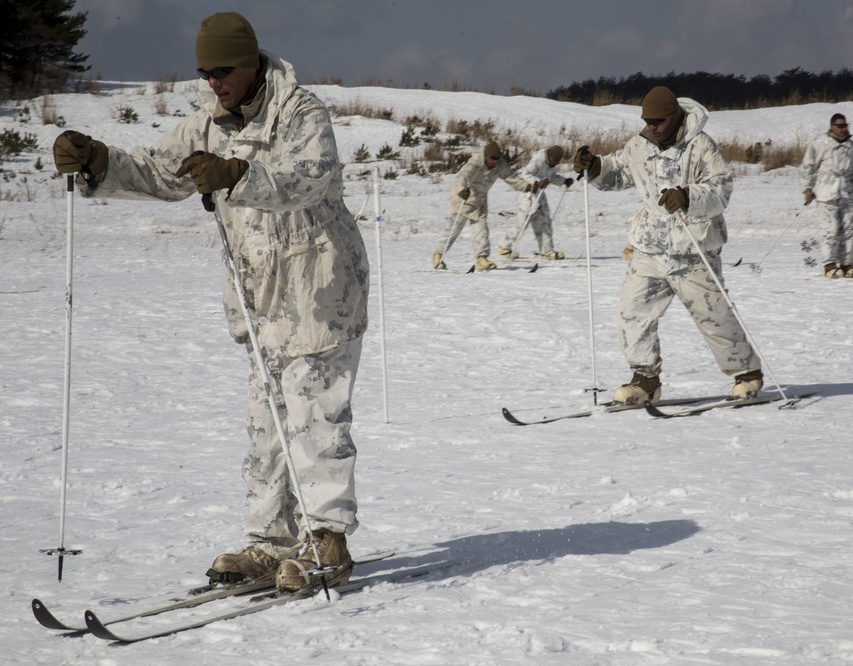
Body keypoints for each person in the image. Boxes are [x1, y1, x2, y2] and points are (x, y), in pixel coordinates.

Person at [52, 12, 368, 592]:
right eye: (205, 73)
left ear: (250, 63)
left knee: (315, 417)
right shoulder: (208, 125)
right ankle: (269, 541)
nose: (214, 82)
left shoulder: (301, 111)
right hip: (261, 300)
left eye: (223, 70)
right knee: (267, 424)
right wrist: (99, 160)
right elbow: (160, 171)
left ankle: (328, 539)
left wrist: (237, 173)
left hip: (321, 291)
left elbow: (310, 177)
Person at [572, 86, 763, 404]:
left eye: (658, 121)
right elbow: (618, 172)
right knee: (632, 312)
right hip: (649, 247)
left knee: (713, 316)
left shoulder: (700, 145)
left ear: (674, 117)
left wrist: (687, 196)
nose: (652, 127)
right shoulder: (639, 145)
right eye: (647, 121)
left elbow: (721, 189)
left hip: (692, 249)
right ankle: (645, 380)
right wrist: (594, 167)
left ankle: (747, 375)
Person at [431, 141, 536, 272]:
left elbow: (511, 176)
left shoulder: (499, 164)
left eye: (497, 158)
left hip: (480, 199)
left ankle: (481, 259)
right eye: (492, 158)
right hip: (464, 197)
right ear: (486, 156)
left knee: (482, 229)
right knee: (453, 229)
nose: (495, 161)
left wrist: (527, 187)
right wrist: (461, 190)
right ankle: (438, 256)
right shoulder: (475, 162)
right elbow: (462, 177)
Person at [800, 113, 853, 278]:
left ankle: (847, 264)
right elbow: (808, 166)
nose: (843, 129)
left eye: (845, 126)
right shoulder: (820, 144)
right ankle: (830, 264)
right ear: (832, 127)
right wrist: (807, 188)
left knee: (849, 229)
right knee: (831, 229)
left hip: (847, 193)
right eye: (839, 126)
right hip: (826, 192)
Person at [497, 145, 573, 260]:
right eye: (554, 161)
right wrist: (538, 182)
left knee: (545, 222)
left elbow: (552, 177)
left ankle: (547, 251)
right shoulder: (538, 160)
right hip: (528, 195)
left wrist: (564, 181)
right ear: (549, 156)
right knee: (521, 225)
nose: (555, 164)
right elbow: (526, 174)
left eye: (557, 163)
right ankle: (504, 246)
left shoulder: (551, 165)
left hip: (539, 195)